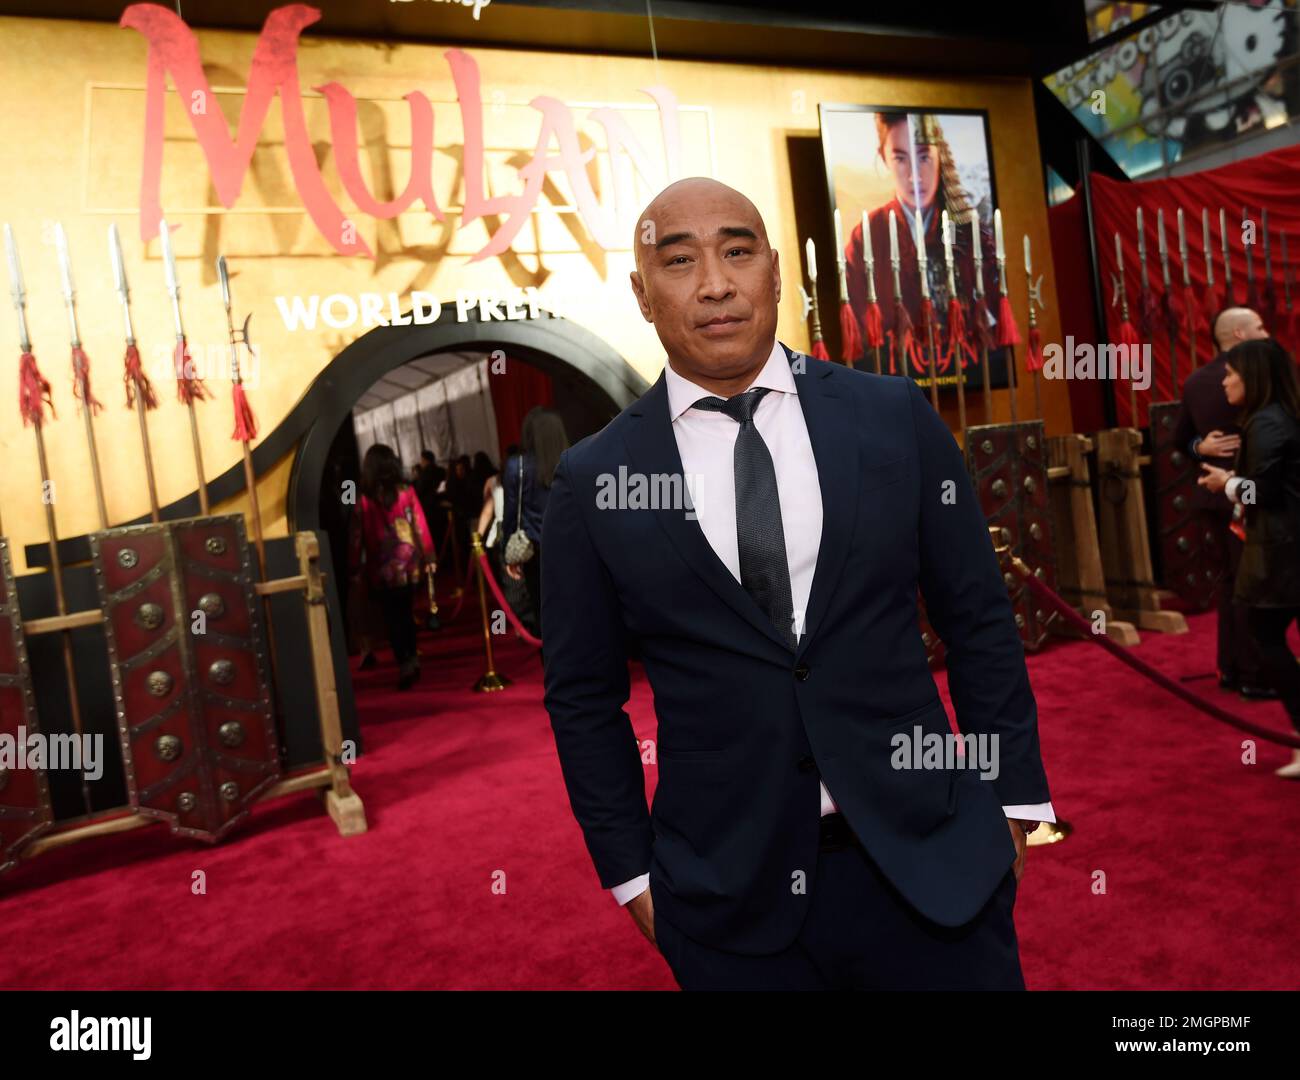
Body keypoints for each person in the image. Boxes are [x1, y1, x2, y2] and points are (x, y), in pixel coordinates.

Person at [541, 177, 1053, 990]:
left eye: (737, 251)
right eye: (680, 260)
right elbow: (581, 696)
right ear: (642, 294)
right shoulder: (596, 476)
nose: (715, 282)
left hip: (934, 862)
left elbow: (980, 617)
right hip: (729, 899)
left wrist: (1013, 801)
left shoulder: (890, 417)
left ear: (776, 272)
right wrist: (633, 877)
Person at [1196, 338, 1300, 778]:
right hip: (1282, 547)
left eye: (1233, 372)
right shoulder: (1271, 418)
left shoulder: (1267, 424)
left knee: (1263, 631)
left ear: (1253, 376)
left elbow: (1268, 491)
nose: (1225, 378)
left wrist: (1229, 484)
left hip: (1282, 552)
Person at [842, 111, 998, 377]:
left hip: (969, 372)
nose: (915, 176)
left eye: (924, 156)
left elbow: (995, 331)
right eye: (901, 159)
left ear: (941, 155)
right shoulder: (866, 237)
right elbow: (858, 343)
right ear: (884, 157)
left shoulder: (972, 236)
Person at [1174, 307, 1273, 698]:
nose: (1267, 334)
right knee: (1252, 585)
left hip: (1210, 497)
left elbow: (1179, 438)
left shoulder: (1196, 379)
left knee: (1231, 585)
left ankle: (1230, 668)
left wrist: (1200, 447)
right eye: (1260, 327)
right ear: (1238, 333)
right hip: (1243, 496)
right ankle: (1254, 674)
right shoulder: (1257, 377)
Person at [347, 443, 435, 691]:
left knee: (392, 617)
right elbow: (419, 524)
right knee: (406, 612)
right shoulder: (405, 491)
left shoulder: (362, 498)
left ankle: (405, 661)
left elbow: (356, 536)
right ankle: (413, 657)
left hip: (381, 568)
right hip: (409, 565)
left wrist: (354, 566)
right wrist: (429, 555)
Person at [503, 409, 569, 641]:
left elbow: (511, 512)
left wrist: (509, 554)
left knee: (545, 613)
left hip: (535, 550)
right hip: (573, 547)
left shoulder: (517, 466)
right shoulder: (573, 460)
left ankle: (554, 668)